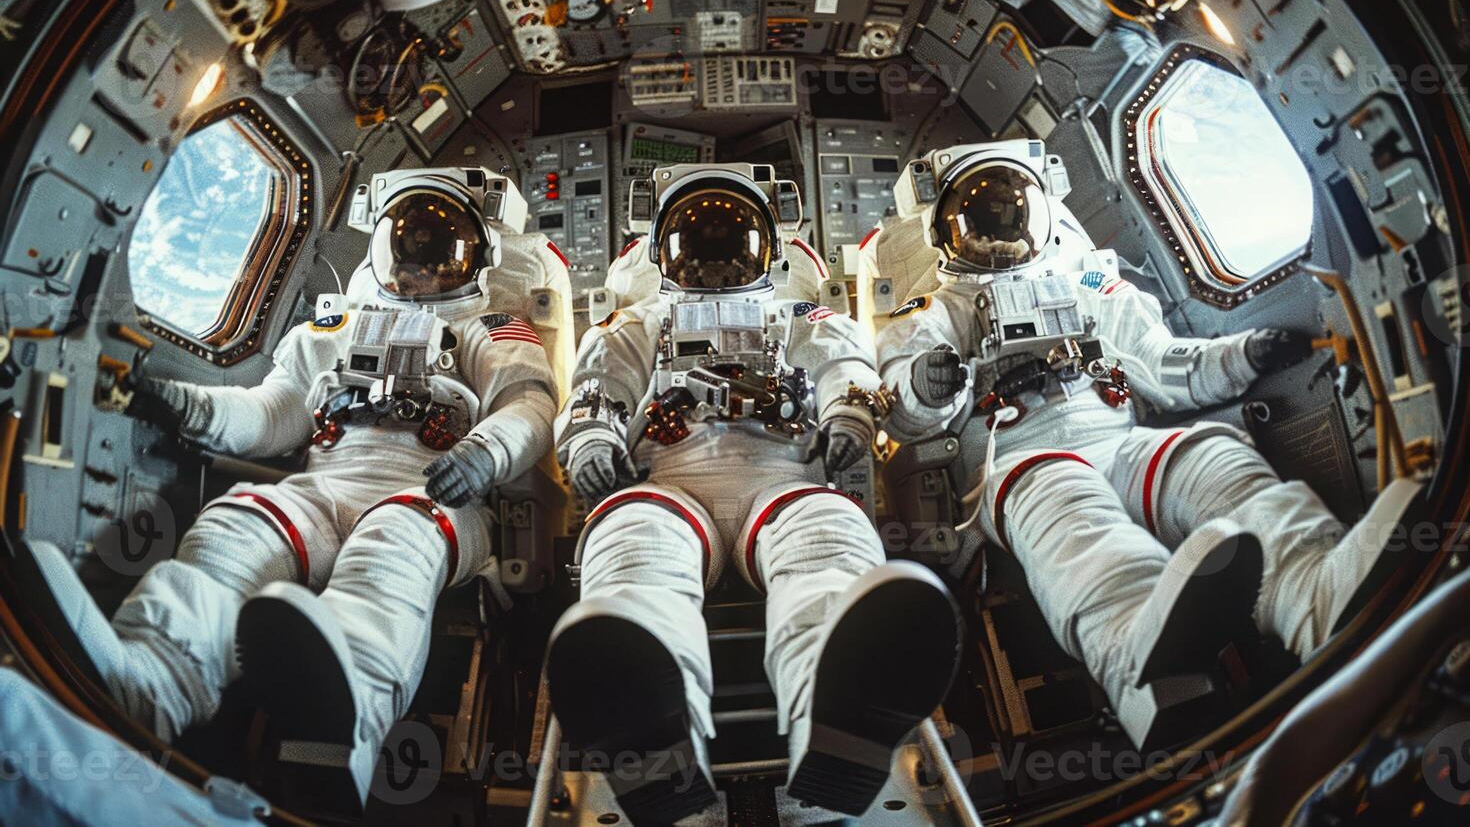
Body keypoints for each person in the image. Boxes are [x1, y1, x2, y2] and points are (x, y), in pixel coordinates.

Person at [32, 167, 558, 806]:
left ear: (473, 259)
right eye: (406, 250)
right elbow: (271, 412)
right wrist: (185, 404)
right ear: (382, 251)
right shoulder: (329, 332)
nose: (419, 271)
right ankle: (153, 682)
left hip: (438, 497)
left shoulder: (490, 329)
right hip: (324, 490)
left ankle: (355, 709)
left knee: (393, 544)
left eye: (438, 255)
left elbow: (530, 407)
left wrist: (483, 453)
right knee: (240, 520)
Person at [549, 163, 962, 820]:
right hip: (670, 480)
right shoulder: (636, 324)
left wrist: (848, 420)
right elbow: (596, 390)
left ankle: (838, 716)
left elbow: (845, 367)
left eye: (730, 243)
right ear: (663, 255)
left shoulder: (800, 314)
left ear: (767, 251)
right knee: (634, 548)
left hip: (783, 478)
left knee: (829, 537)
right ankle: (652, 736)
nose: (714, 262)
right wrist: (593, 443)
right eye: (698, 245)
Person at [877, 142, 1289, 748]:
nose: (998, 237)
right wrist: (925, 383)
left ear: (1038, 218)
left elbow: (1162, 363)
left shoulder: (1092, 282)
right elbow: (905, 414)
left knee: (1212, 455)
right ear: (948, 235)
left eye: (1009, 218)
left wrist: (1242, 354)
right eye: (982, 223)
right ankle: (1139, 663)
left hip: (1119, 446)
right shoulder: (936, 315)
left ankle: (1317, 588)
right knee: (1071, 508)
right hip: (1019, 463)